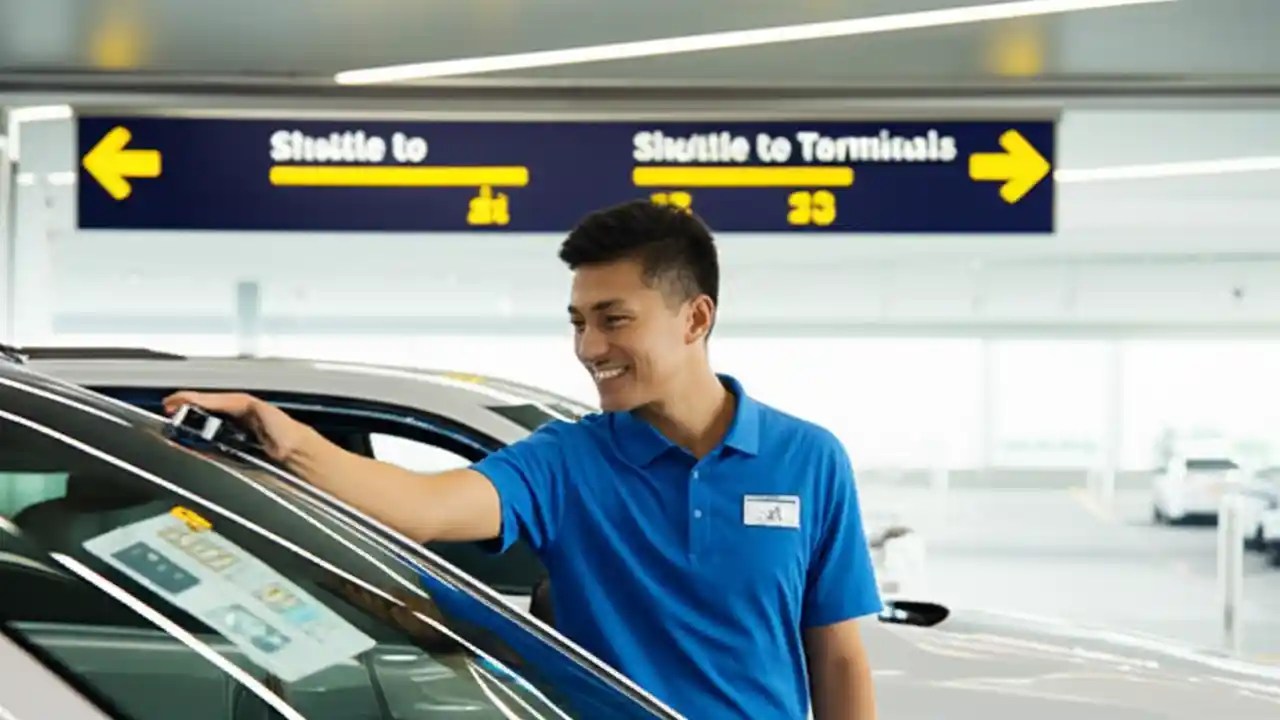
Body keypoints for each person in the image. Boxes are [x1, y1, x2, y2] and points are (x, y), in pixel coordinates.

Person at [163, 199, 882, 719]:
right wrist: (287, 440)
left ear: (695, 318)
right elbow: (427, 506)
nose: (589, 348)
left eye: (614, 320)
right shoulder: (567, 463)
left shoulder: (808, 460)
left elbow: (838, 657)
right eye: (578, 322)